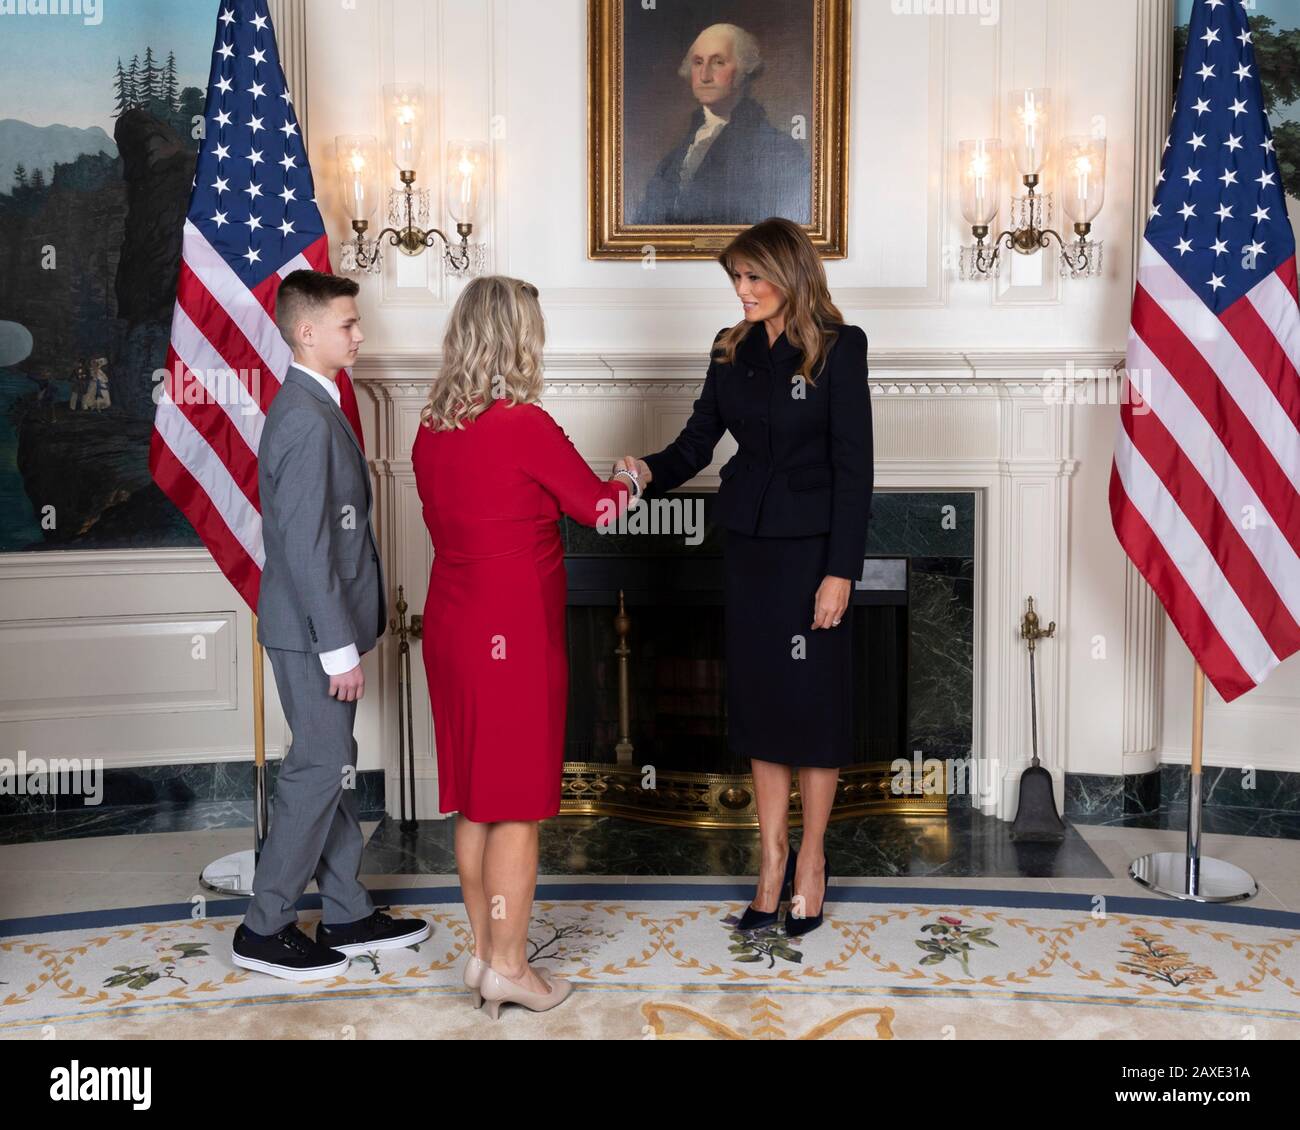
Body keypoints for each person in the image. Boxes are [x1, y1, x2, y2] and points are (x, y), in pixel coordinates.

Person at [621, 217, 872, 938]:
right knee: (763, 708)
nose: (742, 291)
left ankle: (814, 861)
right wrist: (645, 471)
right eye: (736, 279)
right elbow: (698, 441)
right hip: (751, 549)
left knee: (815, 711)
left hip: (814, 553)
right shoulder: (728, 350)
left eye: (754, 277)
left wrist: (840, 574)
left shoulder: (840, 348)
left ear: (790, 273)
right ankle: (772, 860)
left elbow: (856, 470)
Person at [412, 276, 639, 1018]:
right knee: (514, 807)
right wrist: (630, 479)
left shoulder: (428, 427)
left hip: (451, 628)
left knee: (477, 802)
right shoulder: (525, 425)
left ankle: (484, 952)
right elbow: (598, 511)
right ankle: (510, 966)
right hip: (511, 635)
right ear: (518, 338)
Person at [231, 269, 430, 981]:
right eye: (348, 323)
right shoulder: (305, 418)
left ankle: (345, 909)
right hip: (313, 631)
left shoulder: (313, 404)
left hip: (313, 626)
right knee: (316, 771)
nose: (360, 333)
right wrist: (338, 647)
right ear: (306, 331)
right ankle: (265, 924)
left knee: (325, 769)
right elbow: (308, 545)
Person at [634, 22, 810, 226]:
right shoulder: (675, 157)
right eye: (698, 62)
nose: (704, 76)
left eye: (718, 62)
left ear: (745, 69)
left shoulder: (779, 151)